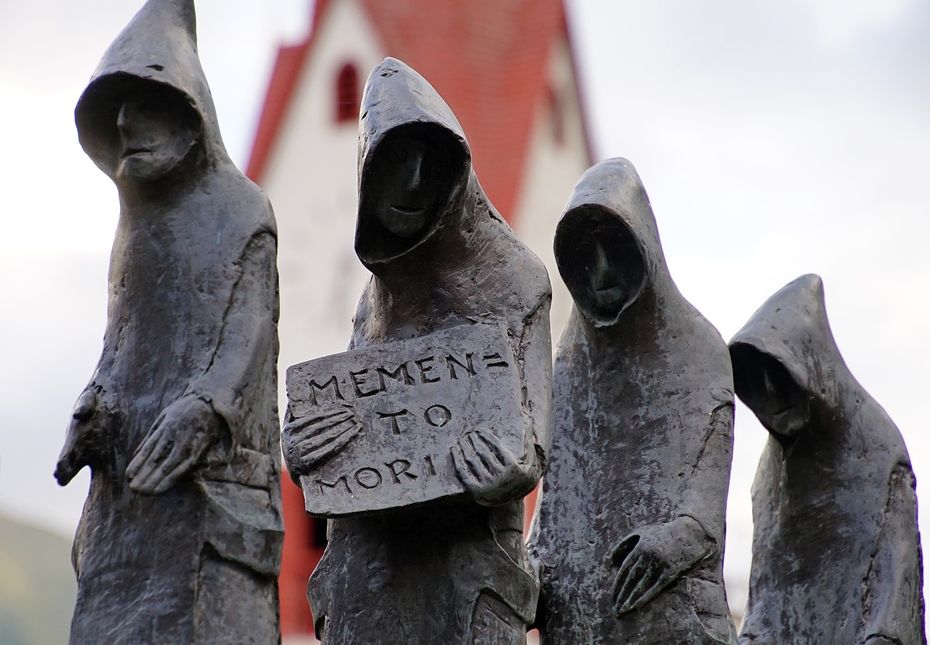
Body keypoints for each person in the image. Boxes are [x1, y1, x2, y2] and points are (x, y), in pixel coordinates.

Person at [283, 57, 552, 644]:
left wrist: (513, 466)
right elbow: (348, 414)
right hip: (370, 574)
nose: (411, 184)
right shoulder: (373, 297)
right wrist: (301, 443)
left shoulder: (516, 283)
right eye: (394, 163)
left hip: (466, 574)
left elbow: (533, 441)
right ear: (366, 173)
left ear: (456, 176)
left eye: (430, 167)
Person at [54, 1, 283, 642]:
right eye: (114, 110)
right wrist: (92, 405)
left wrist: (210, 406)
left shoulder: (241, 210)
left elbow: (248, 334)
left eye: (143, 101)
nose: (125, 122)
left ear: (190, 112)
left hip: (205, 492)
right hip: (124, 502)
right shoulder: (134, 227)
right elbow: (119, 341)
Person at [529, 158, 737, 643]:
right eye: (586, 255)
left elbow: (703, 512)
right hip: (579, 620)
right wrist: (527, 564)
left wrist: (672, 542)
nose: (601, 272)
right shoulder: (570, 362)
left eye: (616, 250)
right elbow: (555, 502)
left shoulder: (698, 348)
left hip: (665, 615)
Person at [731, 274, 926, 644]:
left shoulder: (877, 449)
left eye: (780, 372)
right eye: (757, 379)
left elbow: (893, 598)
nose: (771, 392)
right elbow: (764, 606)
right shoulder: (769, 477)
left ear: (812, 365)